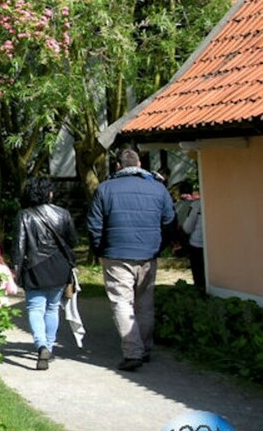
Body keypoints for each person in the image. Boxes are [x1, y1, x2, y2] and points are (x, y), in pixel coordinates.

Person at [87, 147, 176, 371]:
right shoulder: (159, 189)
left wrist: (100, 250)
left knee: (121, 302)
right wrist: (158, 247)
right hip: (148, 254)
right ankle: (144, 349)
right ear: (139, 165)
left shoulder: (104, 189)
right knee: (145, 303)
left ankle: (132, 351)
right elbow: (170, 222)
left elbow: (94, 226)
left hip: (116, 254)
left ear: (118, 166)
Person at [13, 177, 77, 370]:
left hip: (34, 267)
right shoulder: (63, 214)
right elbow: (73, 241)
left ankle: (41, 345)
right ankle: (48, 346)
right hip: (59, 266)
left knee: (35, 308)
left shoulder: (24, 215)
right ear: (50, 193)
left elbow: (19, 246)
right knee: (52, 308)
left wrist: (17, 269)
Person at [177, 183, 206, 292]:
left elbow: (187, 228)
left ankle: (199, 291)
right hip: (213, 244)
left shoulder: (196, 205)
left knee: (198, 273)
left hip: (197, 243)